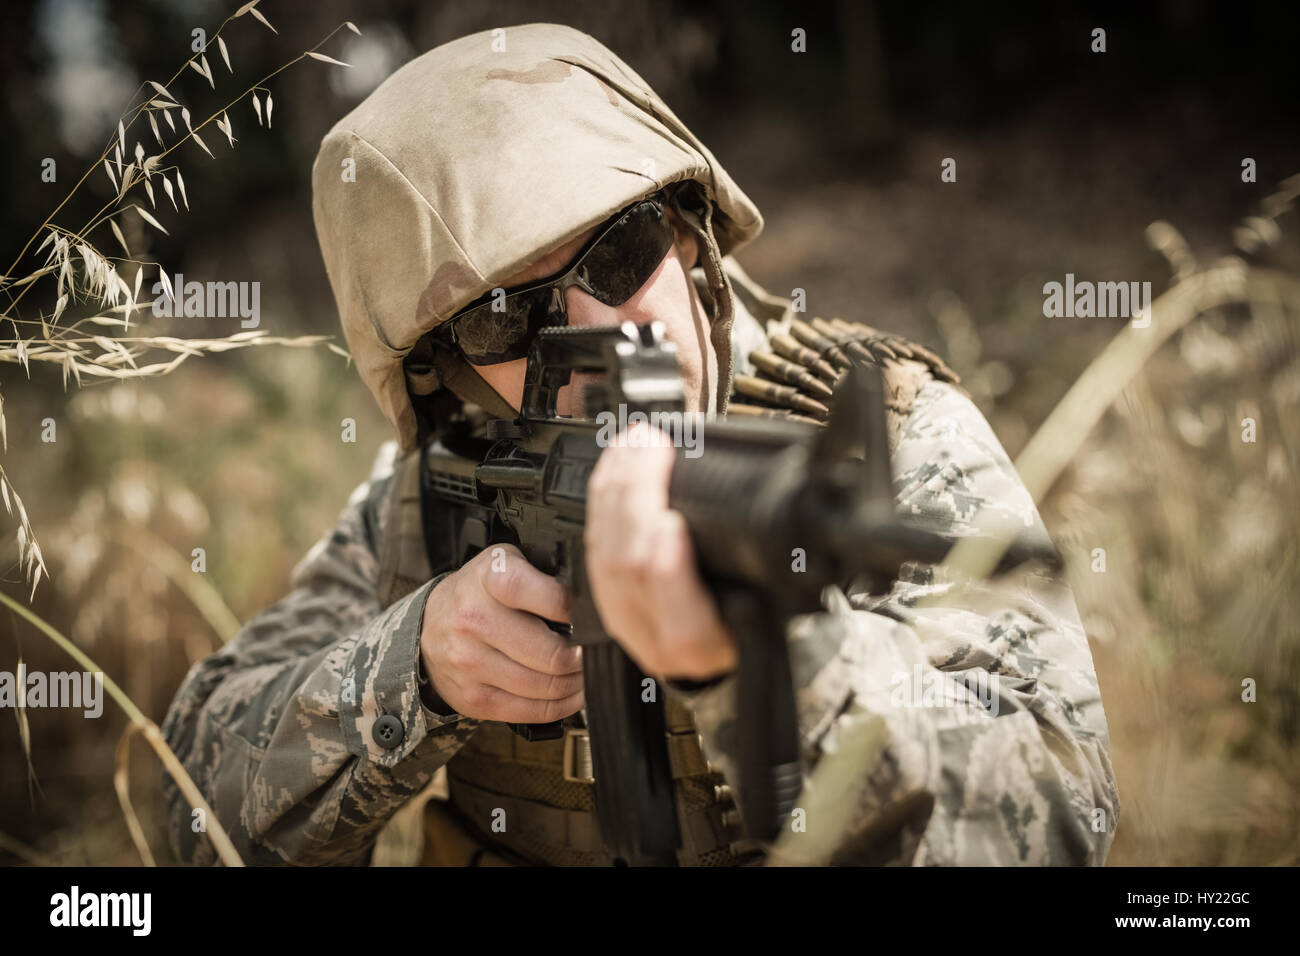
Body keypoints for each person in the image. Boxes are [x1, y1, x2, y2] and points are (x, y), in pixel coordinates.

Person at [162, 23, 1119, 866]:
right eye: (503, 318)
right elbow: (193, 810)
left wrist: (781, 663)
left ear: (689, 236)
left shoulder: (886, 440)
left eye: (618, 252)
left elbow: (1060, 818)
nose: (600, 330)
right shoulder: (423, 502)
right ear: (442, 369)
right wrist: (414, 673)